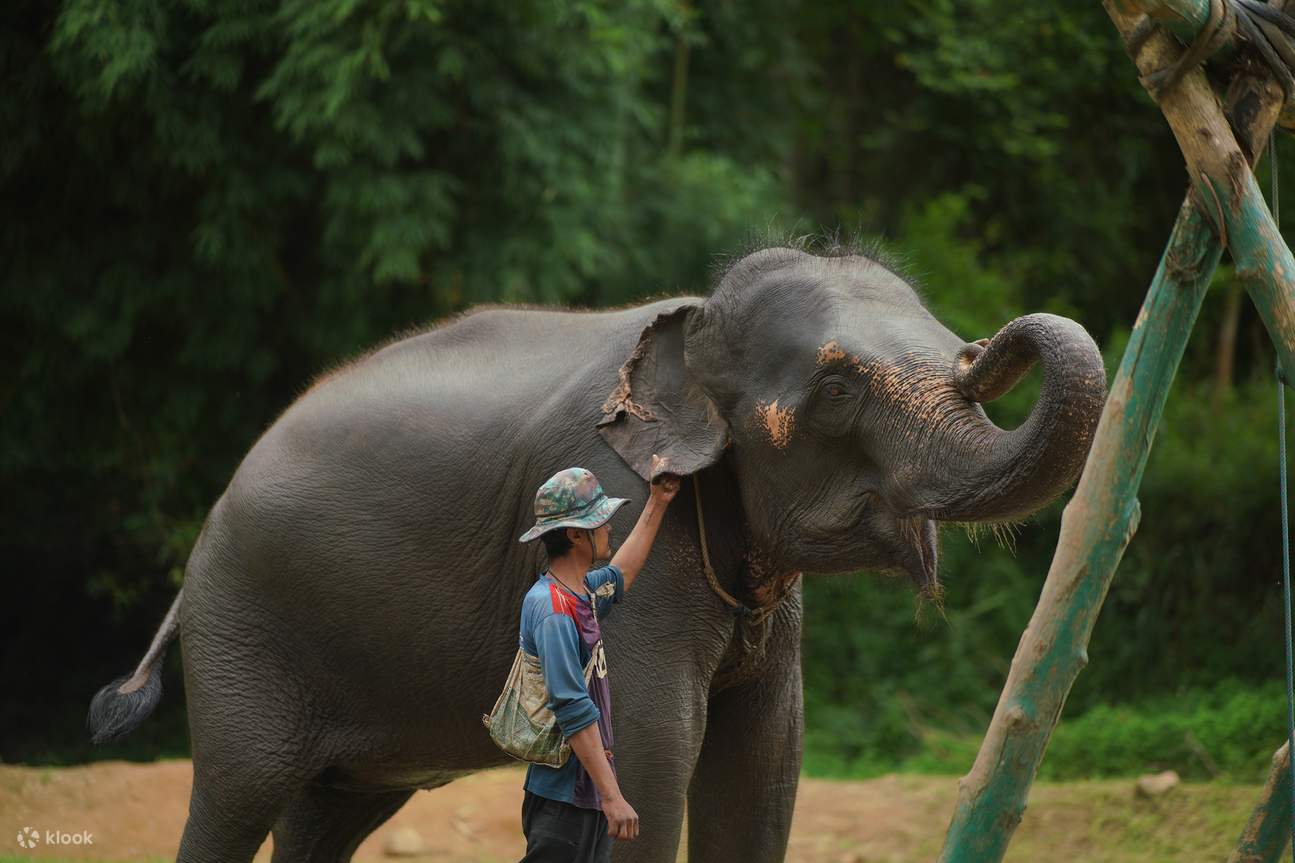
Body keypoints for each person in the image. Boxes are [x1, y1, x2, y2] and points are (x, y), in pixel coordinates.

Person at [514, 456, 680, 862]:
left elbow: (622, 571)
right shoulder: (554, 610)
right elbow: (572, 707)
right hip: (562, 801)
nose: (608, 528)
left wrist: (658, 501)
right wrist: (612, 796)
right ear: (574, 534)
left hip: (581, 795)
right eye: (599, 522)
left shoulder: (580, 595)